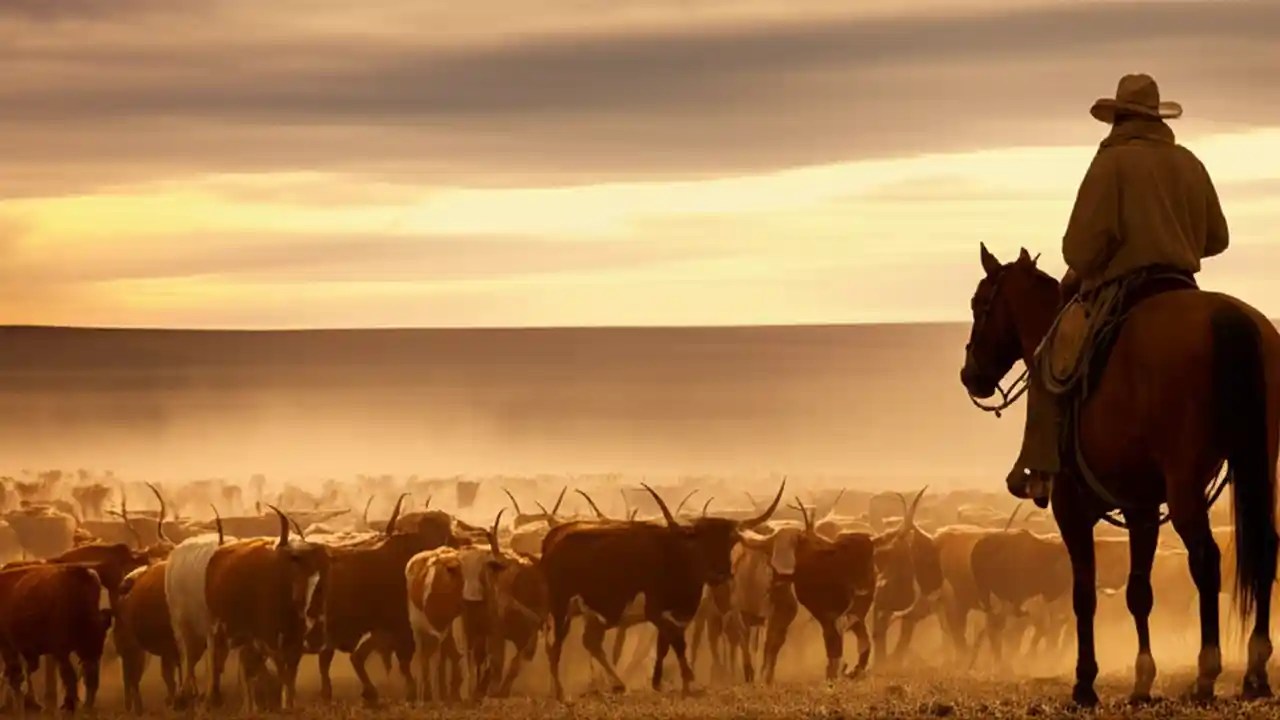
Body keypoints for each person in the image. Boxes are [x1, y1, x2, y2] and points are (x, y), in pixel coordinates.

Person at [1008, 73, 1230, 502]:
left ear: (1119, 117)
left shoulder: (1110, 161)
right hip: (1183, 283)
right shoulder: (1189, 163)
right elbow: (1217, 239)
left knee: (1050, 357)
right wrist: (1177, 238)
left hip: (1126, 288)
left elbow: (1081, 248)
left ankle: (1041, 469)